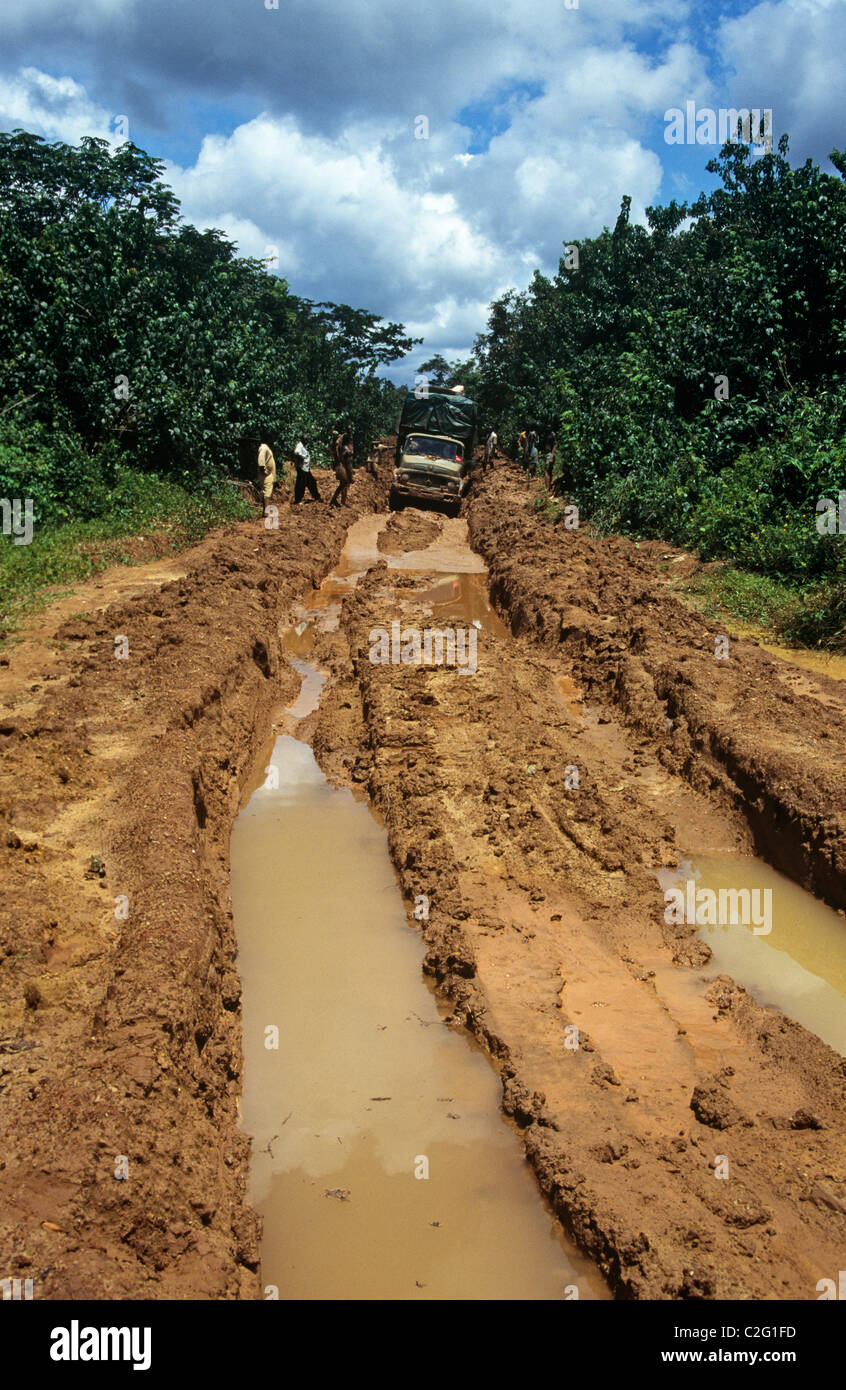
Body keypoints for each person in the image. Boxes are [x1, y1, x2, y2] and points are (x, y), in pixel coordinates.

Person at [292, 432, 320, 504]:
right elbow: (296, 452)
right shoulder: (300, 445)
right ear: (302, 439)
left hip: (305, 468)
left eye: (307, 439)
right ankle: (298, 500)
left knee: (311, 482)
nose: (306, 441)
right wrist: (301, 458)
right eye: (305, 439)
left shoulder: (303, 446)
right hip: (302, 468)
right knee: (301, 484)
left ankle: (316, 497)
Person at [330, 426, 354, 507]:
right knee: (344, 483)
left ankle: (341, 501)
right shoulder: (342, 448)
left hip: (342, 465)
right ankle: (334, 500)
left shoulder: (343, 446)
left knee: (345, 484)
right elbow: (345, 461)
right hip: (341, 465)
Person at [256, 437, 276, 516]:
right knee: (267, 492)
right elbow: (261, 461)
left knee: (266, 492)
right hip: (266, 474)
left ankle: (265, 510)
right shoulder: (264, 448)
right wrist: (263, 470)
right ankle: (266, 512)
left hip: (267, 474)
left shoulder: (265, 448)